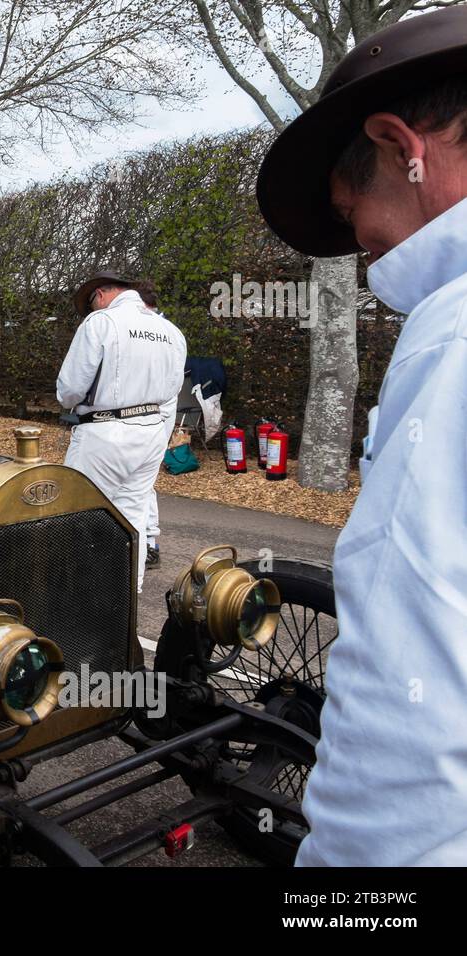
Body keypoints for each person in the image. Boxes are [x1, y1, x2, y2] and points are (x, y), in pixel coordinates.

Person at [255, 7, 467, 866]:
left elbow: (411, 710)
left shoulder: (454, 336)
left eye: (351, 214)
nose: (361, 245)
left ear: (399, 144)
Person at [56, 272, 185, 592]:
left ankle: (74, 599)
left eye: (92, 304)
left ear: (100, 294)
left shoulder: (101, 323)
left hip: (105, 432)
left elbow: (69, 390)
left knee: (77, 517)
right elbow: (171, 391)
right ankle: (125, 600)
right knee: (132, 520)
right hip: (151, 432)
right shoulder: (171, 332)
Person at [137, 281, 172, 569]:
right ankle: (147, 543)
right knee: (144, 482)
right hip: (155, 411)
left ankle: (149, 544)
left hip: (155, 412)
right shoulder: (163, 330)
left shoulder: (155, 331)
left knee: (144, 482)